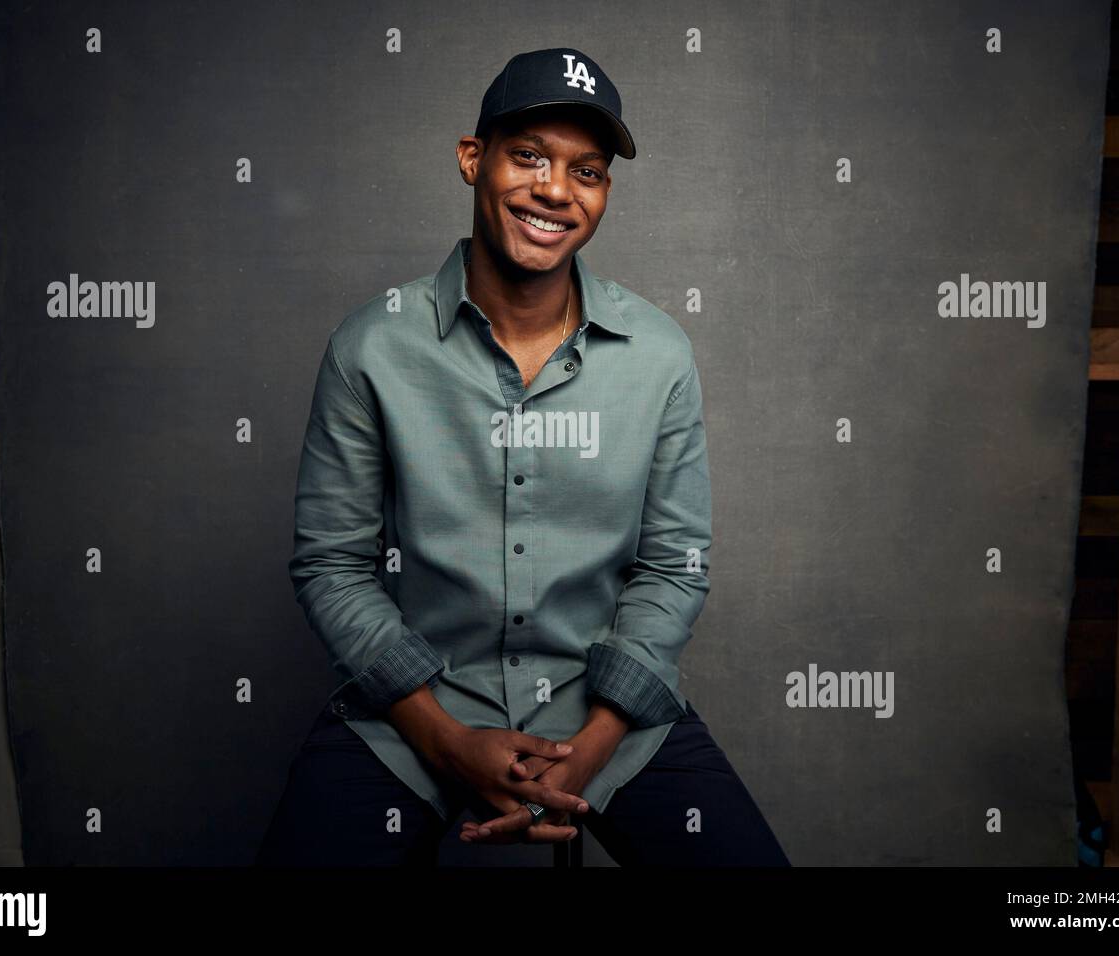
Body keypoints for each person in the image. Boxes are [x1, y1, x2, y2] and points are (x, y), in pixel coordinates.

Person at [257, 47, 789, 866]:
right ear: (474, 159)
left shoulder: (659, 355)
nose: (555, 191)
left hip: (610, 714)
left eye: (588, 171)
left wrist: (599, 738)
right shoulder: (371, 347)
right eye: (529, 156)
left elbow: (673, 567)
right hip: (414, 713)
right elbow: (331, 565)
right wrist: (440, 739)